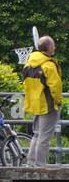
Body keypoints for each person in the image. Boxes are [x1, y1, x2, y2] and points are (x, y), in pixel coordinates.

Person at [22, 35, 62, 167]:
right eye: (53, 45)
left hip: (35, 103)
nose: (54, 47)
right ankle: (40, 165)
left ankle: (31, 163)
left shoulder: (29, 63)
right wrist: (58, 101)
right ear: (49, 47)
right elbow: (55, 87)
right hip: (48, 104)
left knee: (37, 134)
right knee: (45, 136)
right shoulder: (48, 65)